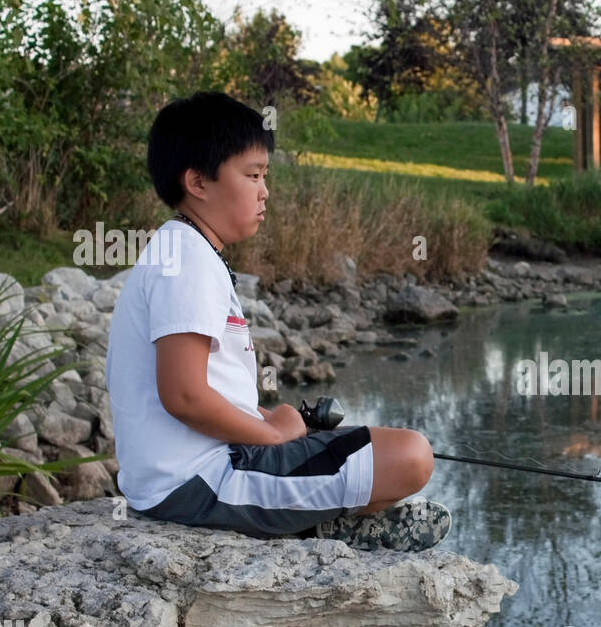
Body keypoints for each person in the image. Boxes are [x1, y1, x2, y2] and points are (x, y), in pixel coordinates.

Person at [104, 91, 449, 550]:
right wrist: (270, 433)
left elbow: (204, 390)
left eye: (265, 175)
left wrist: (271, 418)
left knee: (368, 443)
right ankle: (319, 527)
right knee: (412, 455)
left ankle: (316, 520)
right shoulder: (185, 258)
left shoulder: (184, 248)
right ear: (198, 182)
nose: (265, 191)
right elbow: (183, 395)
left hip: (192, 475)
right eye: (253, 175)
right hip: (198, 485)